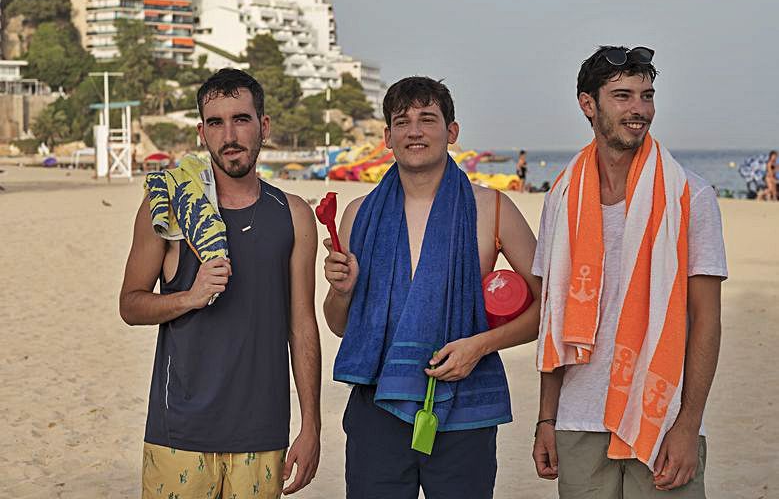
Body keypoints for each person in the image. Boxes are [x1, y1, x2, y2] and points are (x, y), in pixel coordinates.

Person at [322, 76, 541, 498]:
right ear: (387, 136)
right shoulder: (357, 214)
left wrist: (479, 346)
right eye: (402, 122)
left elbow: (546, 306)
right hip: (377, 402)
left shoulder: (492, 208)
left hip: (465, 407)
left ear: (451, 132)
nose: (415, 131)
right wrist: (342, 291)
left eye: (428, 118)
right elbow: (338, 325)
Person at [531, 46, 727, 498]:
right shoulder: (561, 199)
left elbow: (706, 321)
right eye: (622, 95)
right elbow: (553, 318)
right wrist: (547, 418)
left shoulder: (689, 196)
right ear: (588, 104)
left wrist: (688, 424)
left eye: (647, 95)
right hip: (578, 420)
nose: (639, 109)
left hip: (661, 420)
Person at [119, 68, 321, 499]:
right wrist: (189, 298)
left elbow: (302, 326)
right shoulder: (168, 208)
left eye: (241, 119)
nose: (229, 134)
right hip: (179, 432)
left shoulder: (294, 215)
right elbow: (131, 305)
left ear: (263, 126)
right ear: (202, 132)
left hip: (262, 434)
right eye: (216, 122)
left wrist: (311, 425)